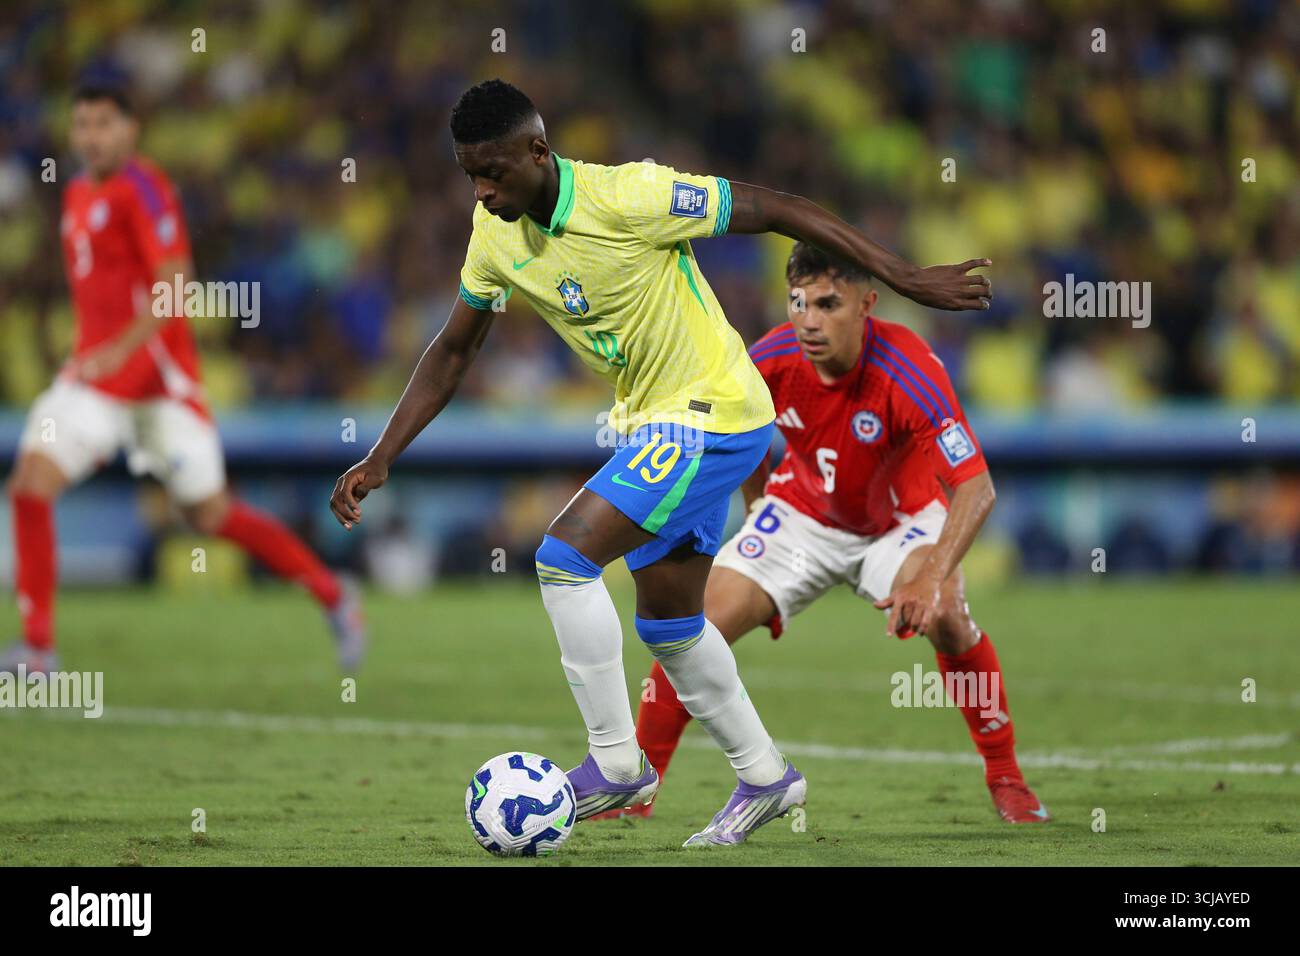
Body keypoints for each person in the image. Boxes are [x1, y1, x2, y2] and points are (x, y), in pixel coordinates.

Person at [329, 80, 991, 846]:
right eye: (469, 175)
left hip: (712, 414)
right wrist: (382, 455)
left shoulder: (632, 195)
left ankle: (615, 762)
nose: (482, 191)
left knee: (562, 558)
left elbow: (775, 207)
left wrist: (902, 275)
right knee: (671, 626)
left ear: (538, 151)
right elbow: (452, 351)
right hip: (651, 426)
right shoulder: (493, 239)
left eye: (495, 173)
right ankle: (767, 776)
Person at [621, 243, 1048, 824]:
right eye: (798, 303)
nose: (810, 320)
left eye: (828, 304)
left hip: (899, 524)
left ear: (867, 304)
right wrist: (758, 498)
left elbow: (976, 487)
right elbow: (729, 429)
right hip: (799, 517)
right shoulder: (769, 359)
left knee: (948, 613)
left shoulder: (909, 368)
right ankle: (634, 794)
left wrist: (928, 576)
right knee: (692, 629)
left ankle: (1006, 777)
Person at [2, 84, 365, 676]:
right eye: (83, 125)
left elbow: (174, 286)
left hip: (160, 386)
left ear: (131, 129)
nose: (92, 136)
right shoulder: (73, 194)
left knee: (210, 515)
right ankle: (39, 648)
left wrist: (116, 350)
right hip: (94, 383)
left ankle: (333, 594)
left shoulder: (145, 189)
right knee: (29, 485)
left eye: (104, 124)